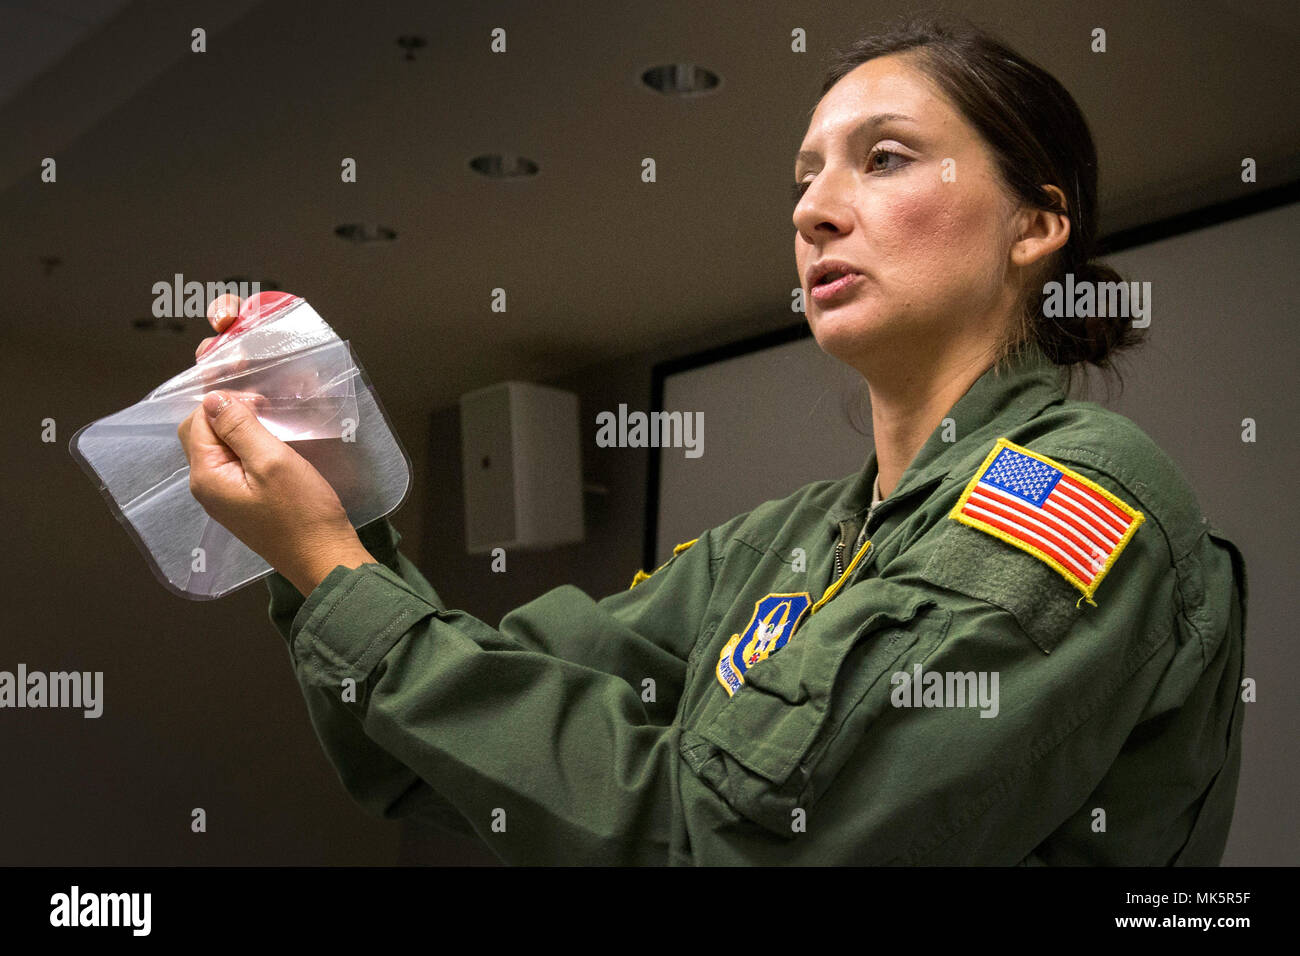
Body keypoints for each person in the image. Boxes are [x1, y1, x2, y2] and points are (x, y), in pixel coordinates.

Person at [176, 18, 1247, 865]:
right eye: (804, 177)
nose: (815, 210)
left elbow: (734, 841)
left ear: (1034, 222)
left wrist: (331, 561)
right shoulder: (782, 544)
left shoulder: (1072, 493)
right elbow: (422, 748)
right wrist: (340, 510)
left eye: (883, 158)